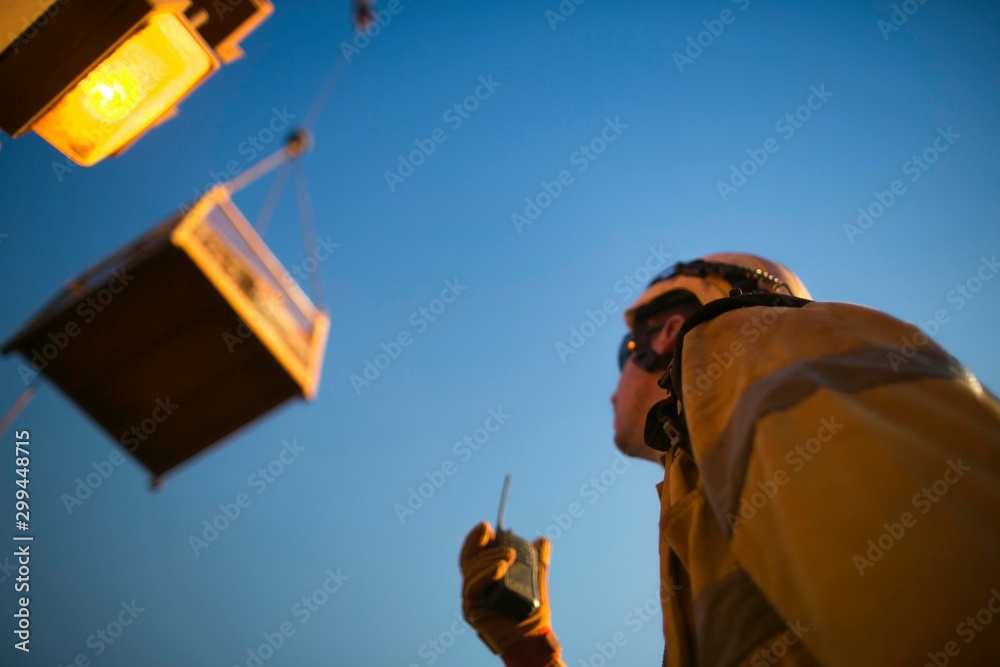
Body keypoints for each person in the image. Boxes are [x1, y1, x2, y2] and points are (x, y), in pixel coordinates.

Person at [459, 252, 1000, 666]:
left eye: (624, 353)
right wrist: (533, 654)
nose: (612, 387)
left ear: (668, 332)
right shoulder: (696, 490)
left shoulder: (741, 343)